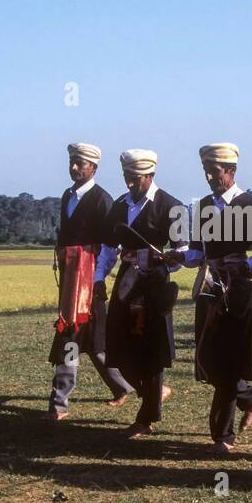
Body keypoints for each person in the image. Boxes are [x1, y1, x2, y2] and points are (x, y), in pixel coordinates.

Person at [183, 143, 252, 454]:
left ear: (231, 171)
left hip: (239, 290)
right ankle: (251, 397)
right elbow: (195, 252)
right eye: (206, 170)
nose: (209, 176)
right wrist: (177, 259)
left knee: (231, 360)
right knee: (211, 357)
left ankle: (224, 436)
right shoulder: (203, 206)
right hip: (209, 288)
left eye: (215, 171)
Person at [96, 149, 188, 435]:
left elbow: (183, 251)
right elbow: (109, 249)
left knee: (152, 352)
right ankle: (153, 393)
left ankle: (145, 418)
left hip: (154, 285)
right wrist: (99, 277)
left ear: (150, 175)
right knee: (118, 348)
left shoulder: (172, 206)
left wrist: (170, 260)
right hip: (126, 283)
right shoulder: (120, 206)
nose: (129, 183)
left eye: (135, 178)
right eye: (126, 176)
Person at [47, 143, 135, 421]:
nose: (74, 168)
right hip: (71, 281)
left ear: (93, 168)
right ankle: (125, 386)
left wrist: (97, 279)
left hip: (89, 283)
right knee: (88, 342)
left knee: (80, 338)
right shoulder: (67, 196)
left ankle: (59, 403)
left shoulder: (101, 200)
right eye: (72, 162)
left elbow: (111, 247)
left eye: (80, 164)